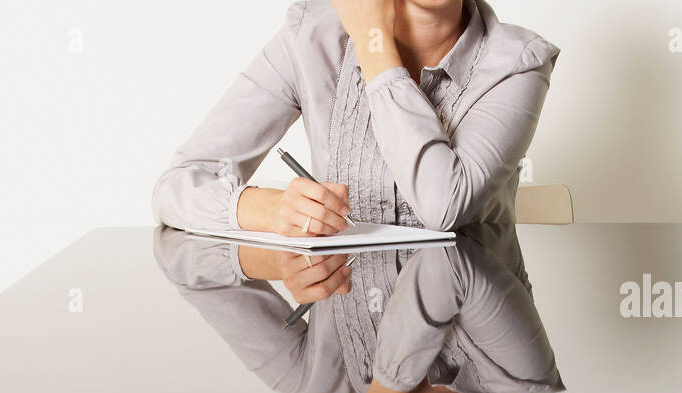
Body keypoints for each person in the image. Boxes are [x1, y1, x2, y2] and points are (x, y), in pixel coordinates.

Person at [152, 0, 558, 237]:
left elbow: (443, 206)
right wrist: (270, 211)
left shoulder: (518, 63)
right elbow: (177, 186)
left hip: (476, 342)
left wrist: (371, 40)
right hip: (344, 328)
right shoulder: (311, 37)